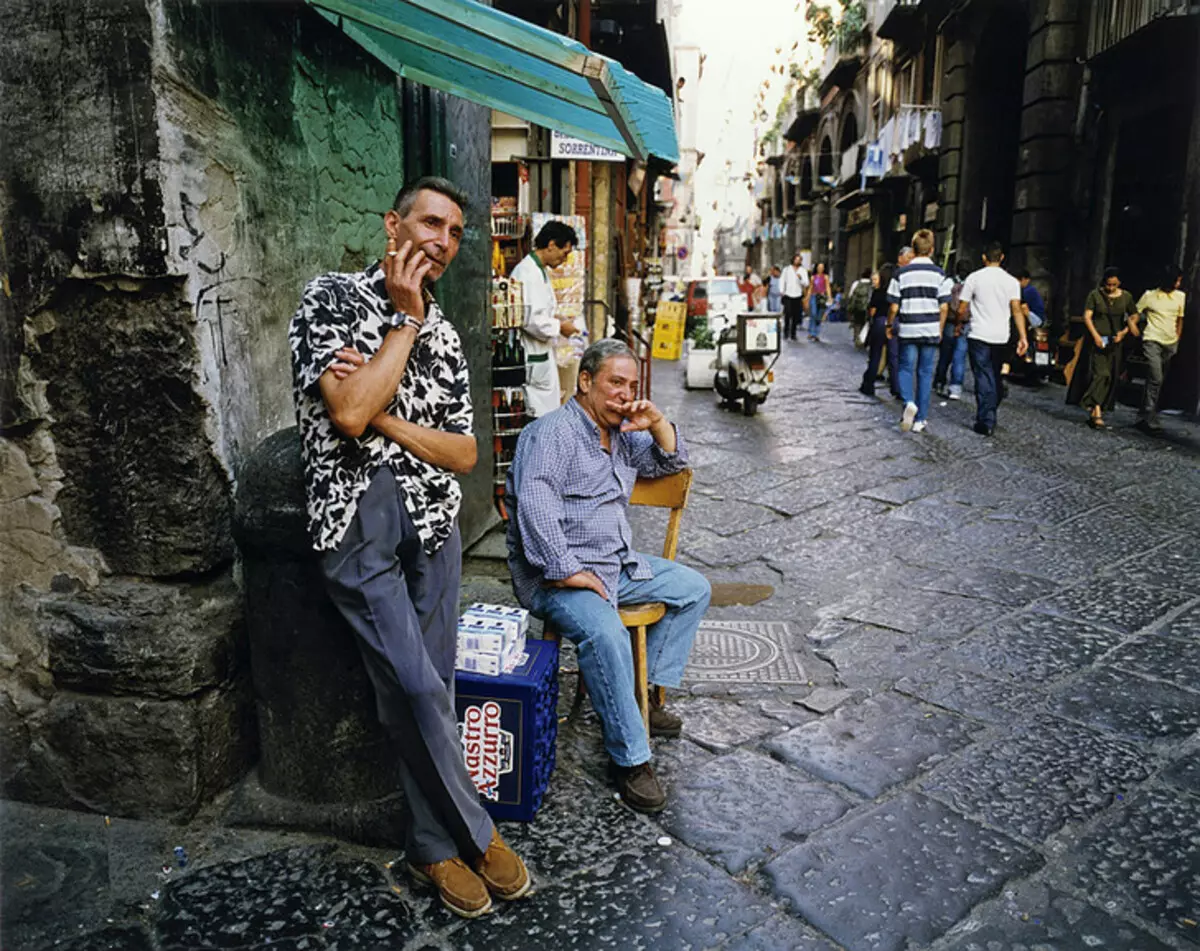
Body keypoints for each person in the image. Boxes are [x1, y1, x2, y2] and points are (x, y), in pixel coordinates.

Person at [288, 177, 530, 919]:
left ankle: (429, 845)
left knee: (430, 686)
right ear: (394, 225)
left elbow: (461, 452)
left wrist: (389, 421)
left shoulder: (451, 336)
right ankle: (476, 830)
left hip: (435, 521)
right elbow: (349, 409)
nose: (443, 241)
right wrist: (402, 322)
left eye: (455, 232)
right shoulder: (328, 300)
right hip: (355, 519)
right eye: (431, 222)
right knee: (416, 685)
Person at [505, 339, 710, 814]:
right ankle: (632, 760)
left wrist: (656, 422)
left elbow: (671, 462)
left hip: (614, 563)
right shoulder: (552, 434)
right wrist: (568, 572)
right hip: (557, 573)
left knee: (692, 589)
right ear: (585, 382)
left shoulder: (620, 432)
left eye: (631, 385)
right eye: (615, 383)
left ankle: (642, 700)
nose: (624, 394)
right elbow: (535, 511)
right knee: (605, 632)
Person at [511, 221, 581, 418]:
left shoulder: (539, 270)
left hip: (541, 353)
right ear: (551, 245)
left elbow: (540, 309)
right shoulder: (527, 272)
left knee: (547, 410)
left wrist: (557, 318)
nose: (564, 259)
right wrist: (560, 326)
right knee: (538, 413)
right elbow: (532, 320)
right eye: (564, 252)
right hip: (533, 352)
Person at [958, 243, 1028, 436]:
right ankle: (990, 410)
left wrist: (959, 322)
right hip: (1002, 335)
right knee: (994, 375)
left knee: (983, 376)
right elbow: (1016, 309)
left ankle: (986, 419)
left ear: (984, 258)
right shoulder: (1011, 282)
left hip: (979, 333)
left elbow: (962, 308)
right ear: (1002, 257)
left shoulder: (974, 278)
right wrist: (1023, 336)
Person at [887, 231, 952, 432]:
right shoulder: (940, 274)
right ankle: (921, 419)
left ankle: (908, 402)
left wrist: (889, 325)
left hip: (908, 328)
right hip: (931, 328)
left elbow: (894, 307)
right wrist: (940, 329)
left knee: (905, 368)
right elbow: (944, 307)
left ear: (913, 249)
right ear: (932, 249)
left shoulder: (901, 274)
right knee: (925, 373)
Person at [1067, 266, 1137, 429]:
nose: (1110, 288)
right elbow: (1087, 316)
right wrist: (1096, 336)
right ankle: (1095, 409)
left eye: (1114, 284)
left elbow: (1134, 314)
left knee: (1111, 376)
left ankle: (1095, 409)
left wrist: (1124, 331)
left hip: (1115, 343)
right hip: (1097, 342)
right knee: (1101, 375)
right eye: (1108, 285)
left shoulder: (1126, 297)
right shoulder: (1095, 295)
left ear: (1119, 282)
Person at [1130, 265, 1186, 433]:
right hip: (1152, 339)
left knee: (1155, 380)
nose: (1178, 284)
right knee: (1156, 377)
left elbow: (1180, 318)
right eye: (1177, 280)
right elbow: (1135, 313)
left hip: (1169, 342)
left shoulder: (1180, 296)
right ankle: (1149, 414)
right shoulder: (1149, 296)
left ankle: (1144, 415)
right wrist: (1133, 325)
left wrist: (1177, 336)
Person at [934, 260, 973, 400]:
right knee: (960, 357)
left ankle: (940, 381)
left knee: (945, 355)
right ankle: (955, 388)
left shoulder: (949, 282)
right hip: (965, 323)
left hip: (950, 322)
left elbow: (943, 303)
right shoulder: (971, 283)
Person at [859, 263, 894, 396]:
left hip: (879, 322)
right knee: (894, 356)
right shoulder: (896, 291)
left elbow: (872, 311)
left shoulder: (879, 291)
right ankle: (896, 386)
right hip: (894, 322)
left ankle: (868, 385)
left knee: (875, 355)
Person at [886, 246, 916, 397]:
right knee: (899, 356)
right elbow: (893, 305)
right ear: (900, 258)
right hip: (900, 318)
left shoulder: (906, 274)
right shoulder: (896, 273)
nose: (911, 260)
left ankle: (899, 387)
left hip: (904, 318)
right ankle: (899, 387)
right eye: (909, 258)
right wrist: (889, 323)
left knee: (899, 356)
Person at [780, 252, 809, 340]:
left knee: (796, 315)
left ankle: (793, 333)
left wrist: (800, 278)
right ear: (793, 260)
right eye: (796, 259)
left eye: (799, 260)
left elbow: (806, 283)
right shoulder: (787, 269)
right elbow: (782, 280)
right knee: (787, 314)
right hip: (788, 294)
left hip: (798, 295)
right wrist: (782, 291)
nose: (797, 261)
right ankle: (786, 332)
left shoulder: (803, 271)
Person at [846, 268, 873, 348]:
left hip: (857, 307)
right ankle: (864, 340)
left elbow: (850, 295)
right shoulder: (871, 284)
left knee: (857, 323)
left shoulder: (856, 283)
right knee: (866, 323)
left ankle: (856, 339)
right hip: (867, 307)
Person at [808, 262, 829, 341]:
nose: (820, 268)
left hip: (822, 297)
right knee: (813, 313)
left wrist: (829, 297)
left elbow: (827, 287)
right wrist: (807, 298)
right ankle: (812, 332)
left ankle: (816, 333)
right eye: (819, 267)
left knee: (819, 316)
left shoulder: (826, 277)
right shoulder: (813, 277)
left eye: (822, 267)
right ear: (816, 268)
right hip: (814, 296)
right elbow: (810, 288)